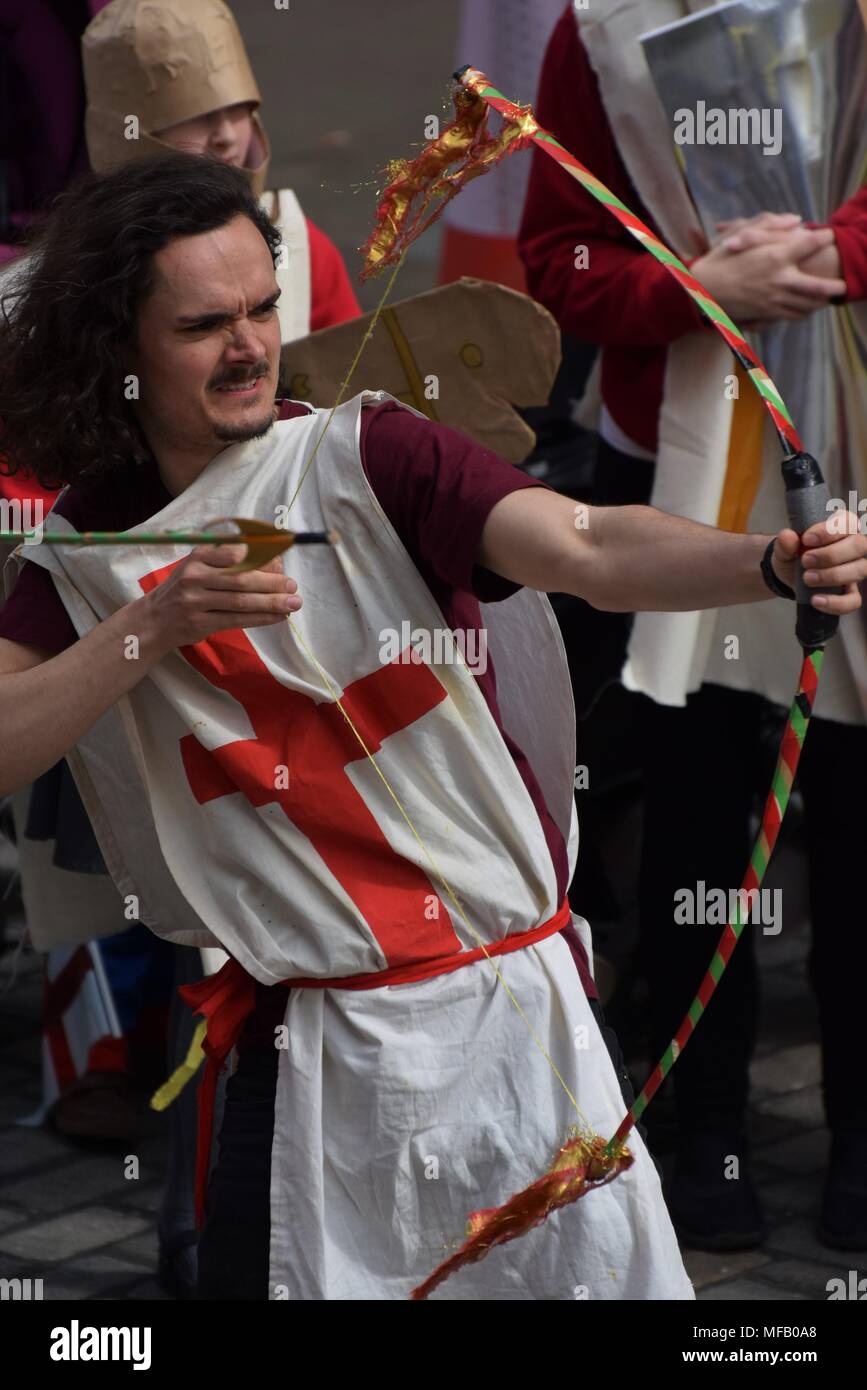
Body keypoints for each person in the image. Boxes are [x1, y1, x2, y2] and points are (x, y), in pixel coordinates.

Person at [1, 154, 863, 1300]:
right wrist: (150, 629)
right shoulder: (84, 558)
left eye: (263, 307)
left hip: (513, 1018)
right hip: (306, 1040)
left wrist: (766, 562)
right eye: (205, 325)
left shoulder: (369, 452)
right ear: (117, 349)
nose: (252, 345)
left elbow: (588, 548)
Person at [518, 0, 867, 1251]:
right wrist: (692, 287)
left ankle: (857, 1137)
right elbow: (553, 259)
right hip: (676, 480)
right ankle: (703, 1119)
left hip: (860, 465)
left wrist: (832, 256)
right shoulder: (596, 29)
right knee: (700, 826)